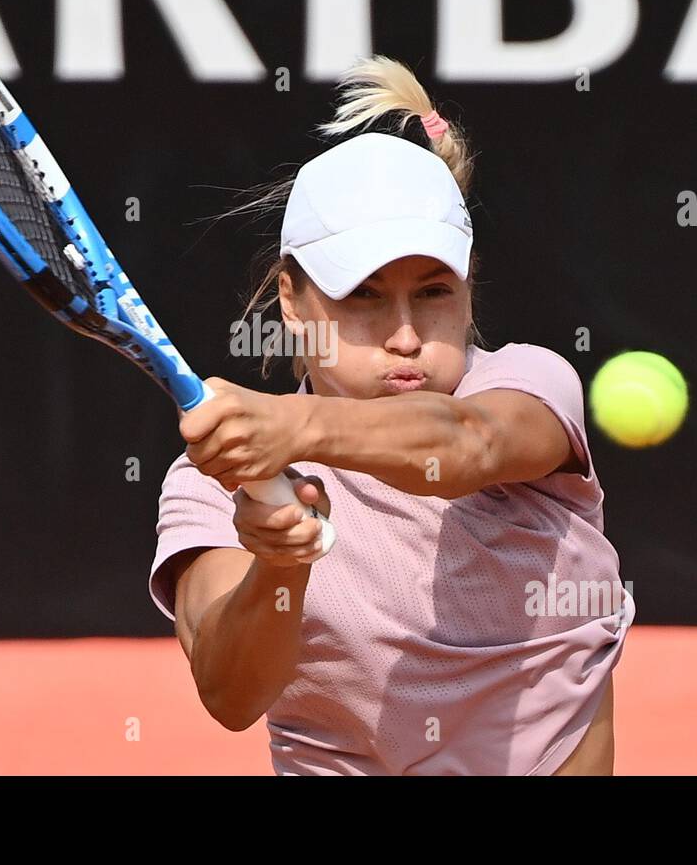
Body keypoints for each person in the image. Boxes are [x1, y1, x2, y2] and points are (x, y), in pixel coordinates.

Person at [148, 56, 634, 775]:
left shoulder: (527, 384)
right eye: (366, 297)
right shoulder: (211, 482)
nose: (405, 335)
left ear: (469, 285)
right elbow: (229, 694)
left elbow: (463, 445)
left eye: (434, 292)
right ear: (292, 298)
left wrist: (295, 429)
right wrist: (280, 566)